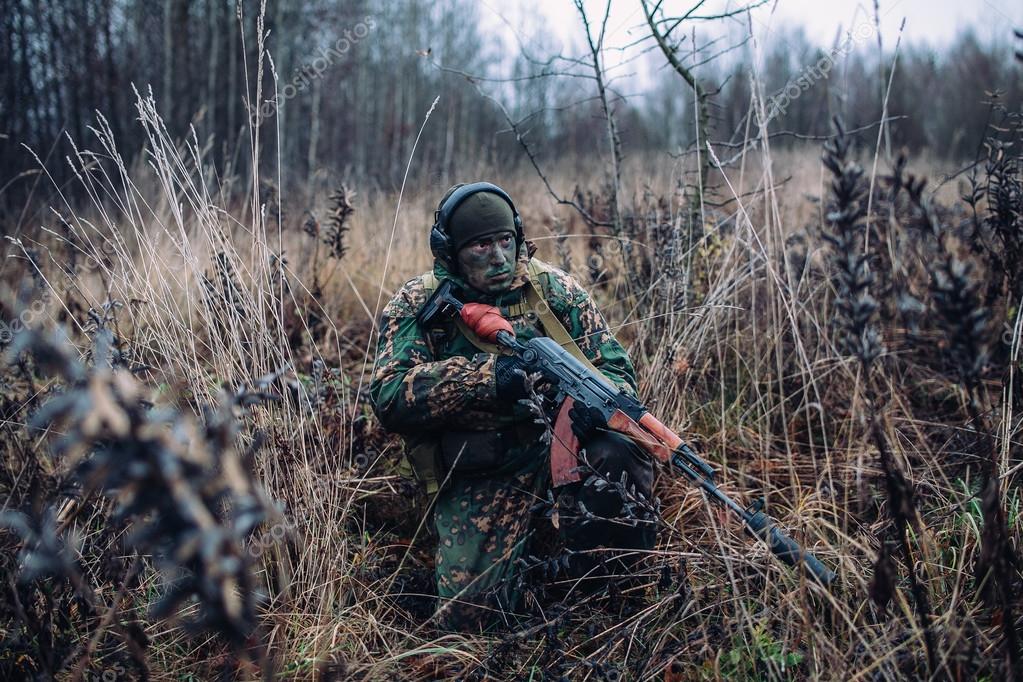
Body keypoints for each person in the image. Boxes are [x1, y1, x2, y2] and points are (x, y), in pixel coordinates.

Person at [369, 181, 655, 631]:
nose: (499, 257)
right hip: (483, 469)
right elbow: (388, 396)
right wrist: (486, 379)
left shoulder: (555, 291)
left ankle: (607, 590)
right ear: (451, 252)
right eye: (481, 246)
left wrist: (592, 409)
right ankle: (530, 556)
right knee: (471, 618)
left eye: (506, 241)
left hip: (559, 454)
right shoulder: (418, 304)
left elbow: (616, 369)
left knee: (619, 451)